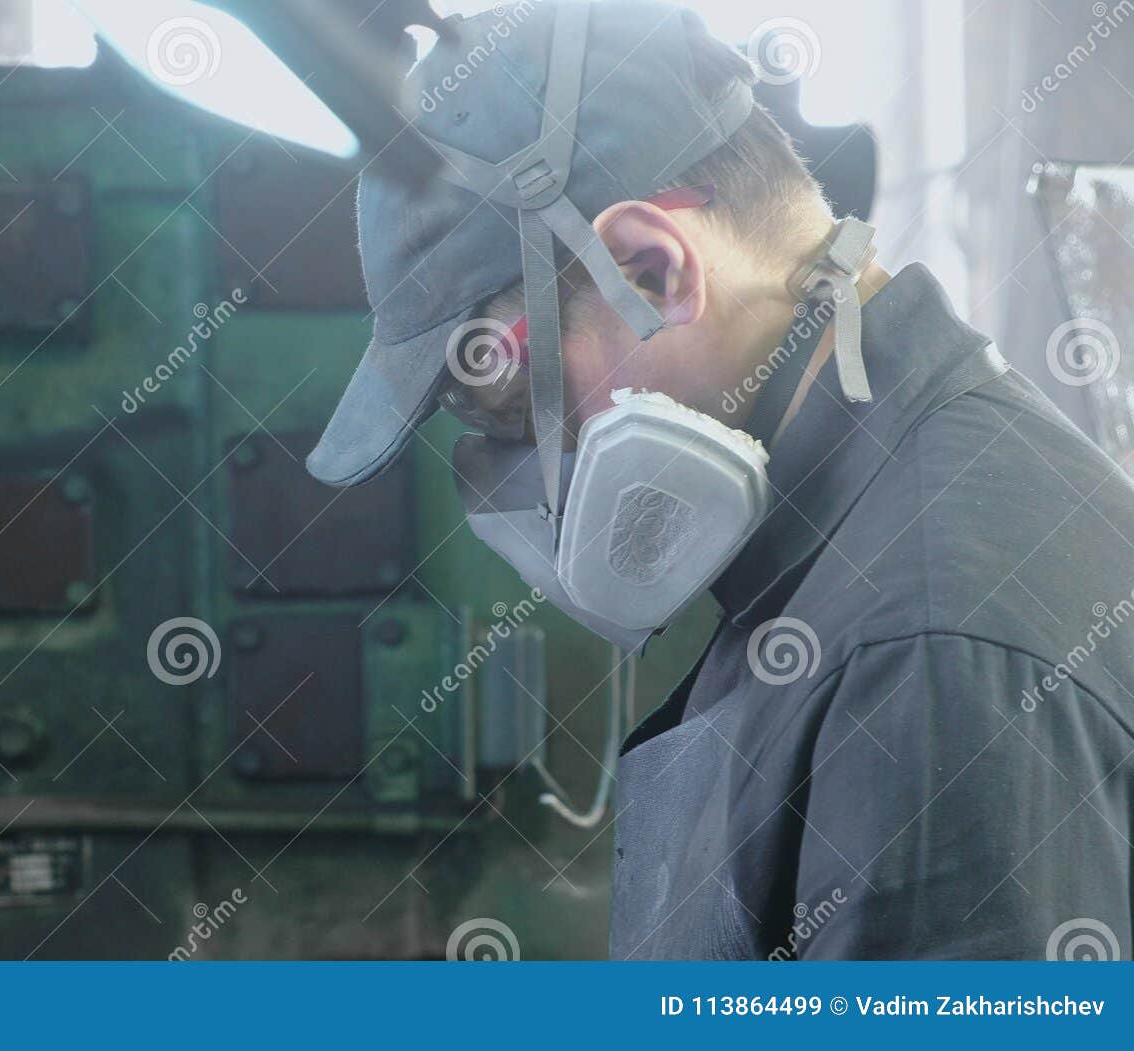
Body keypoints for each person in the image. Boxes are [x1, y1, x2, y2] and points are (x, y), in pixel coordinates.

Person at [306, 0, 1134, 960]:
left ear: (655, 271)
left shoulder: (923, 647)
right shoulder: (849, 539)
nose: (526, 474)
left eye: (502, 405)